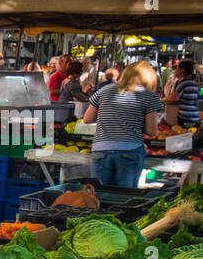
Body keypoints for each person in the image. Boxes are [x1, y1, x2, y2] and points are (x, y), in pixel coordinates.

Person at [82, 60, 163, 188]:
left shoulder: (104, 90)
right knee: (124, 196)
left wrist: (112, 116)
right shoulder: (148, 96)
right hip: (129, 150)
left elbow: (87, 119)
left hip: (101, 148)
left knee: (99, 195)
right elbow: (151, 131)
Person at [162, 59, 200, 130]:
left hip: (186, 117)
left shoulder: (183, 83)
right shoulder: (192, 82)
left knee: (183, 136)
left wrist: (160, 100)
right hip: (193, 116)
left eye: (177, 68)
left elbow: (173, 99)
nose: (175, 70)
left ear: (182, 70)